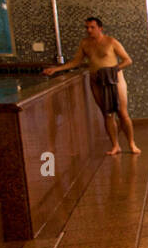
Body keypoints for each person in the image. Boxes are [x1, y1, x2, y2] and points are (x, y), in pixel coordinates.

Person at [42, 16, 140, 155]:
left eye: (92, 27)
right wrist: (56, 69)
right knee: (107, 114)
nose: (89, 30)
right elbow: (76, 62)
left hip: (114, 80)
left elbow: (128, 60)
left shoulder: (111, 41)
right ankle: (115, 146)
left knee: (123, 113)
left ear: (100, 28)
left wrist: (113, 70)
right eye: (87, 27)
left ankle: (131, 144)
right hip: (96, 81)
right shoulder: (85, 43)